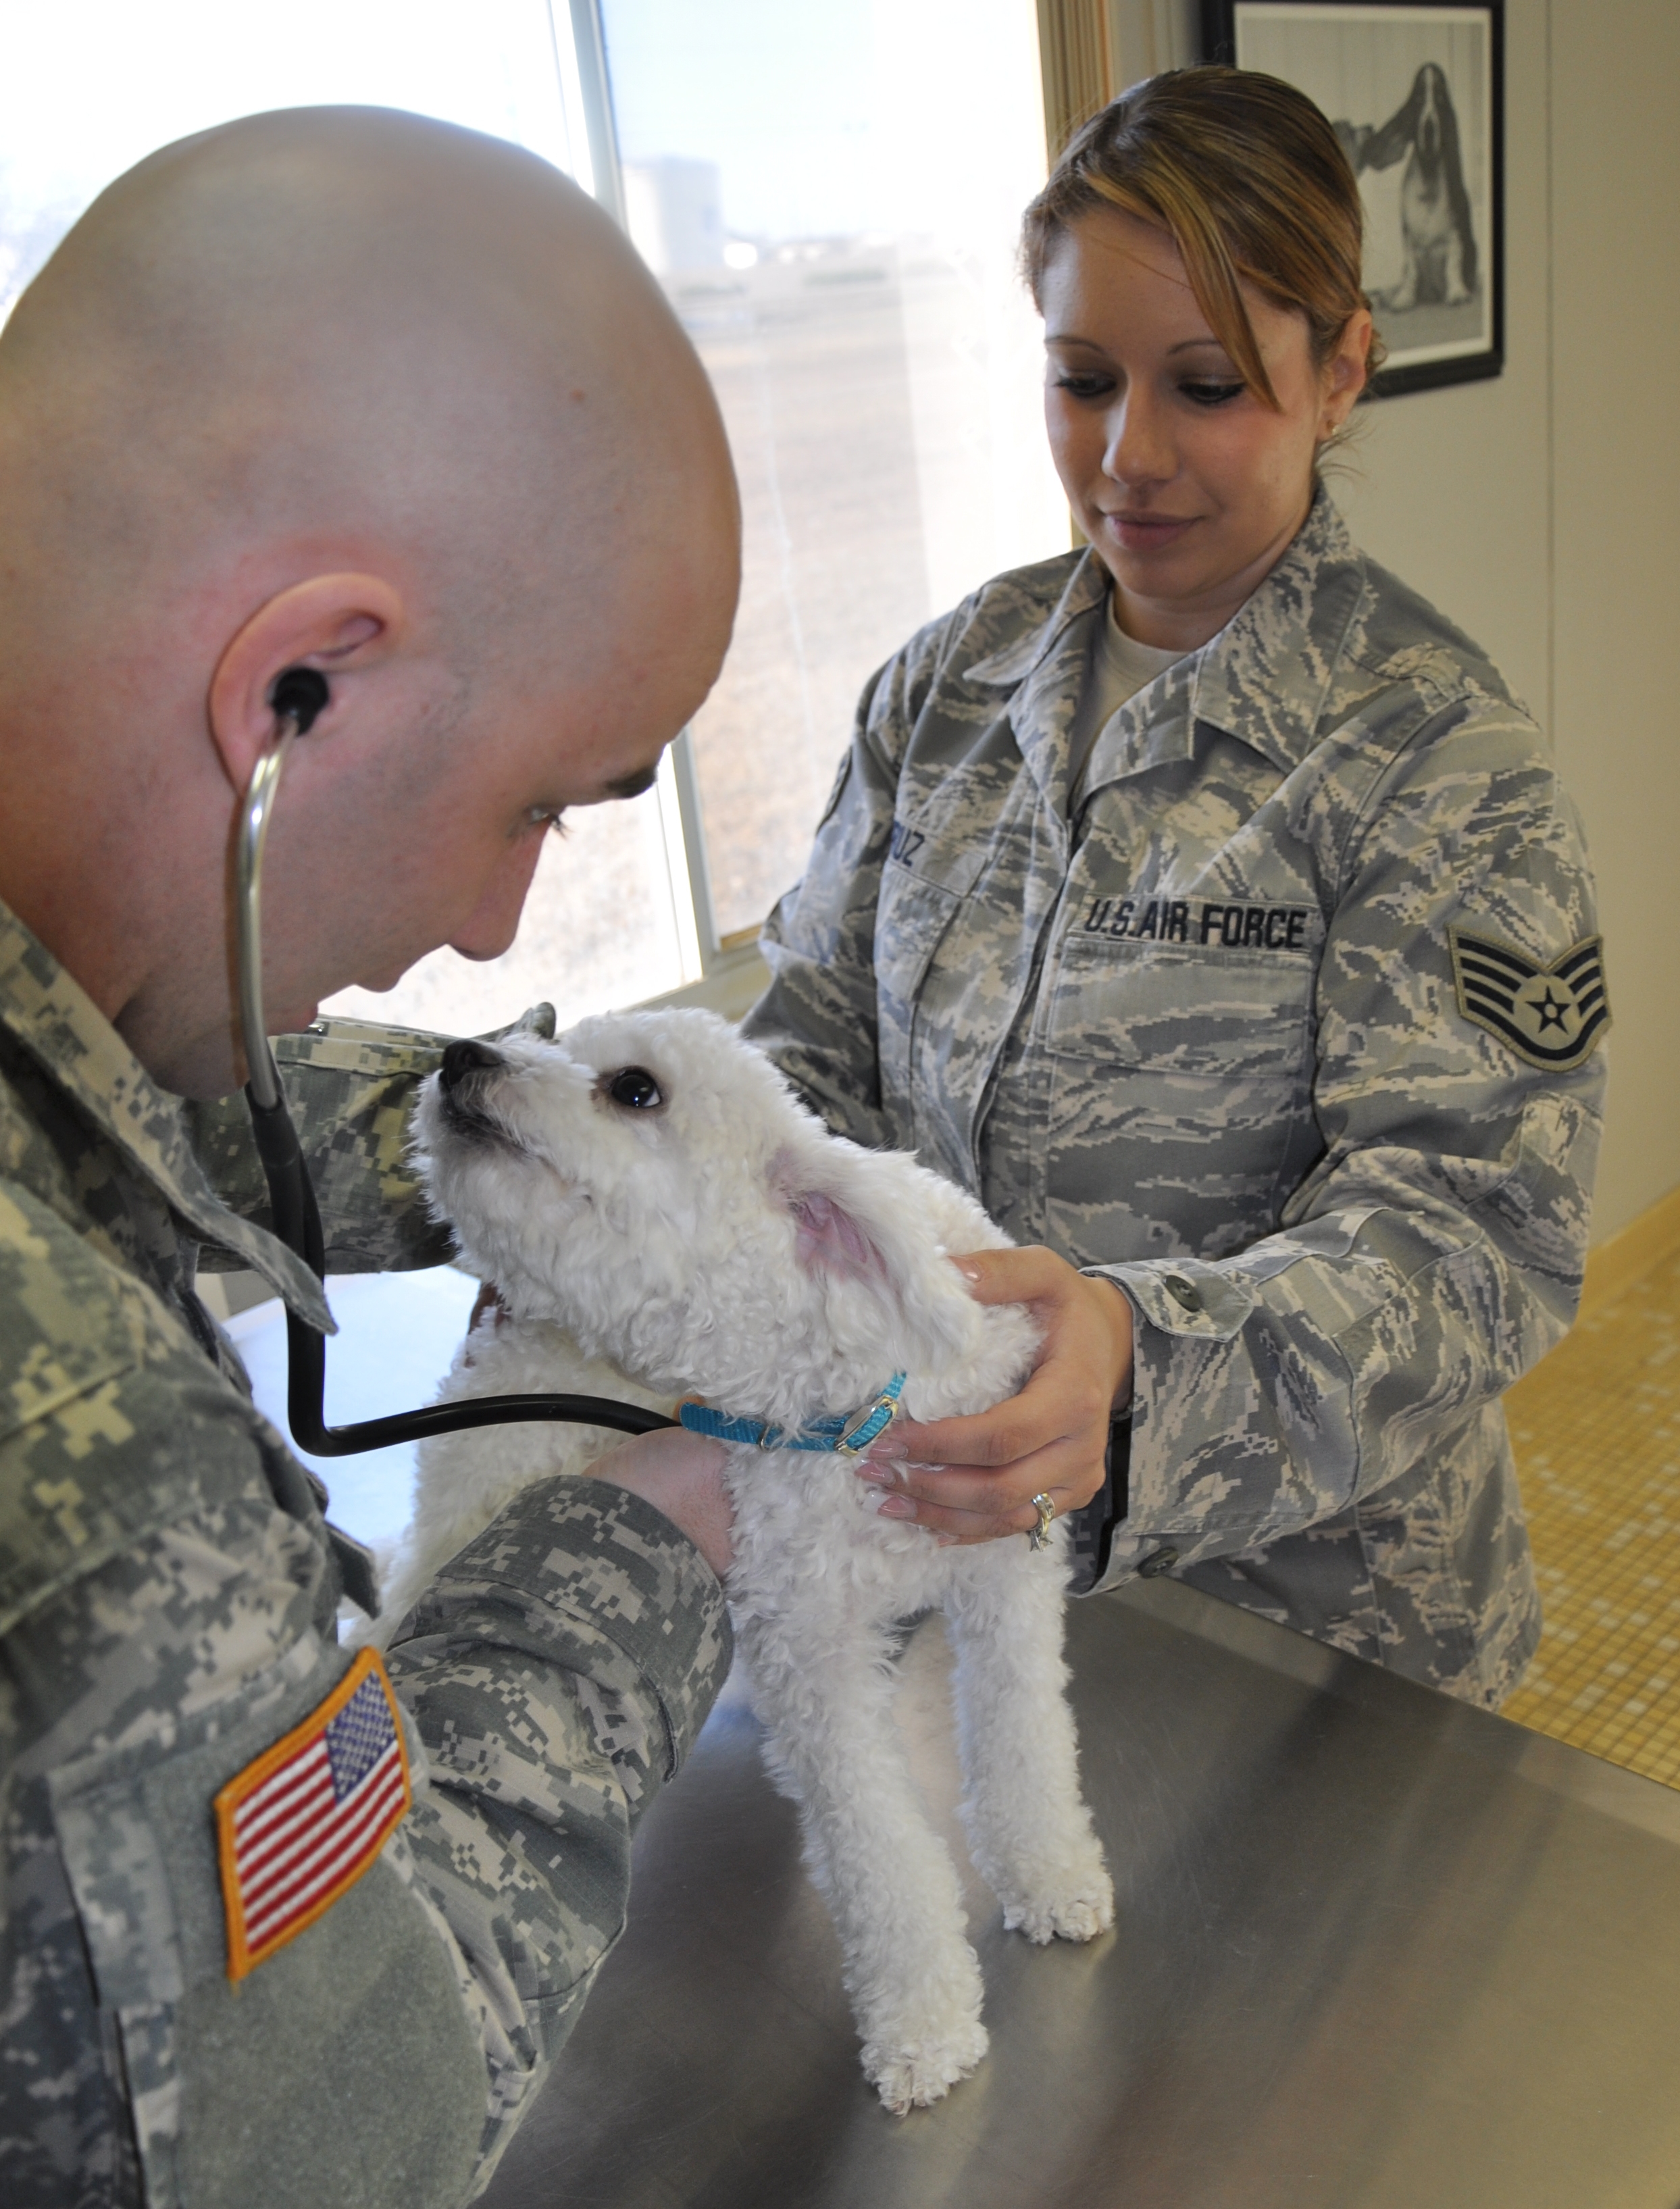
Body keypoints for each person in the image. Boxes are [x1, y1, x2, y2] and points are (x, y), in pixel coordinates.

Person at [0, 108, 740, 2205]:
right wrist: (671, 1522)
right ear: (300, 688)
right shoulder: (80, 1454)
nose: (505, 931)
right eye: (538, 805)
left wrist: (555, 1153)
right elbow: (357, 2123)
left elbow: (144, 1106)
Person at [742, 67, 1606, 1706]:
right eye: (1081, 382)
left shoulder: (1433, 760)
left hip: (1314, 1629)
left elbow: (1473, 1231)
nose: (1124, 456)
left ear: (1337, 368)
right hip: (943, 1554)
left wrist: (1139, 1368)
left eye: (1204, 386)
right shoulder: (947, 688)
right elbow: (808, 1041)